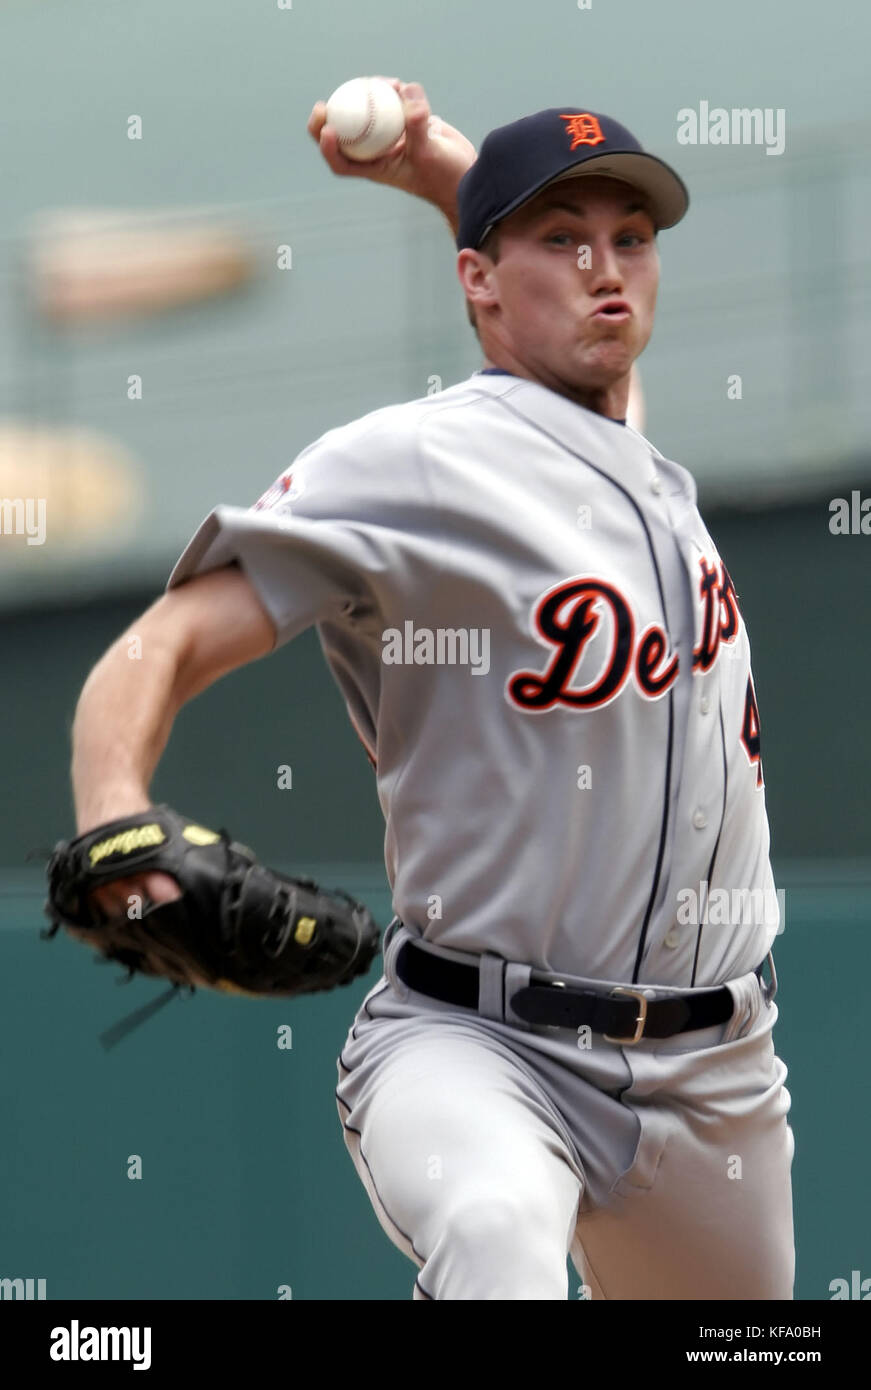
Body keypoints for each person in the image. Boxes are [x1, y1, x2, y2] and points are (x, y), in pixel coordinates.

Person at [71, 85, 794, 1300]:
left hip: (718, 1070)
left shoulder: (639, 463)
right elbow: (164, 642)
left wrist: (437, 162)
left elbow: (565, 363)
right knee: (500, 1234)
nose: (606, 269)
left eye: (631, 236)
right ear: (477, 281)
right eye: (563, 240)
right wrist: (110, 810)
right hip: (480, 1040)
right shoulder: (416, 459)